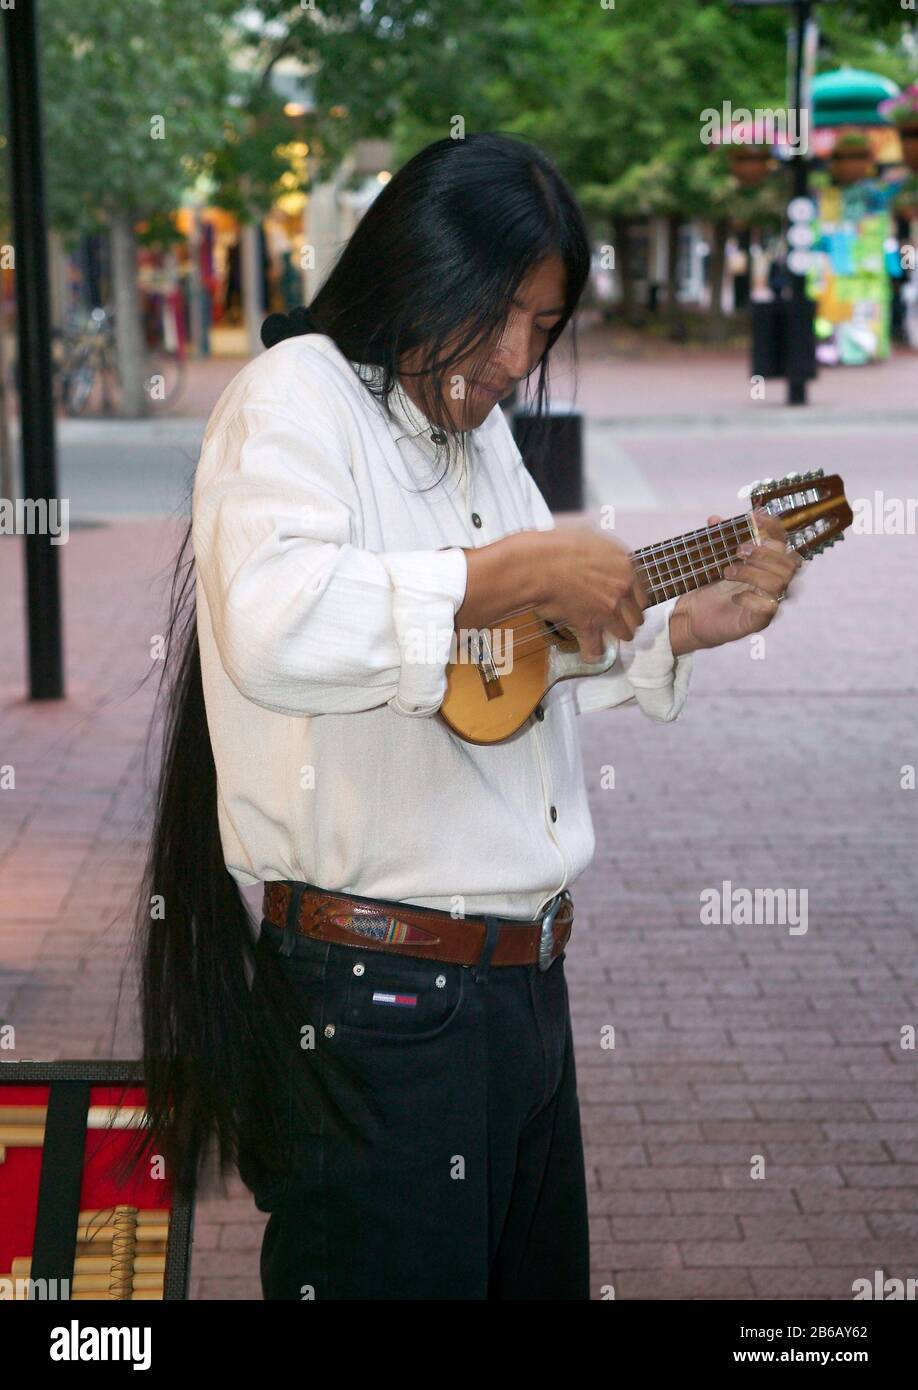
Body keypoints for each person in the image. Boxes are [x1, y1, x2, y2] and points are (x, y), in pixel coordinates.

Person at [127, 132, 801, 1300]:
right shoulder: (296, 397)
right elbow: (275, 624)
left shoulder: (478, 439)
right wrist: (513, 569)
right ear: (418, 267)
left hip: (517, 992)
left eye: (543, 325)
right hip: (378, 1002)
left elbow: (505, 666)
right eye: (499, 314)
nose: (513, 357)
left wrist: (680, 629)